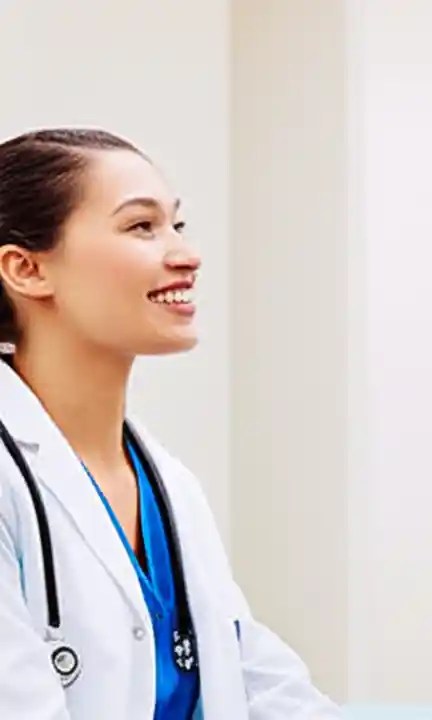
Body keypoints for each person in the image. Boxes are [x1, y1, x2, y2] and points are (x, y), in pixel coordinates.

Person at [0, 128, 340, 719]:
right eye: (141, 226)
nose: (187, 254)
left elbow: (258, 679)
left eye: (176, 226)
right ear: (26, 269)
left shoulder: (170, 486)